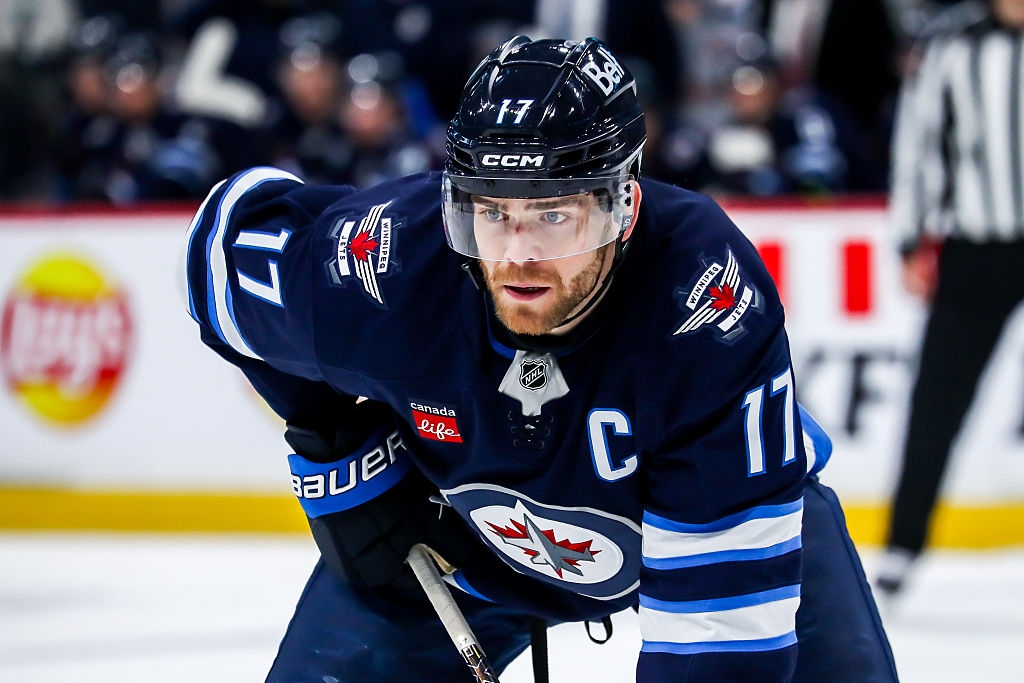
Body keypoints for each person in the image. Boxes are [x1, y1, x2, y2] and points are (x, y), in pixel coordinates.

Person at [183, 36, 896, 681]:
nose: (518, 254)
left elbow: (717, 656)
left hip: (706, 521)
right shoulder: (394, 263)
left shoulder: (700, 302)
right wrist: (328, 438)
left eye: (555, 214)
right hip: (458, 540)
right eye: (490, 212)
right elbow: (218, 255)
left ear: (623, 203)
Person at [877, 0, 1024, 599]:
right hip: (976, 247)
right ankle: (903, 543)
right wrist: (911, 238)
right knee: (938, 397)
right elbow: (919, 143)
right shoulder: (953, 44)